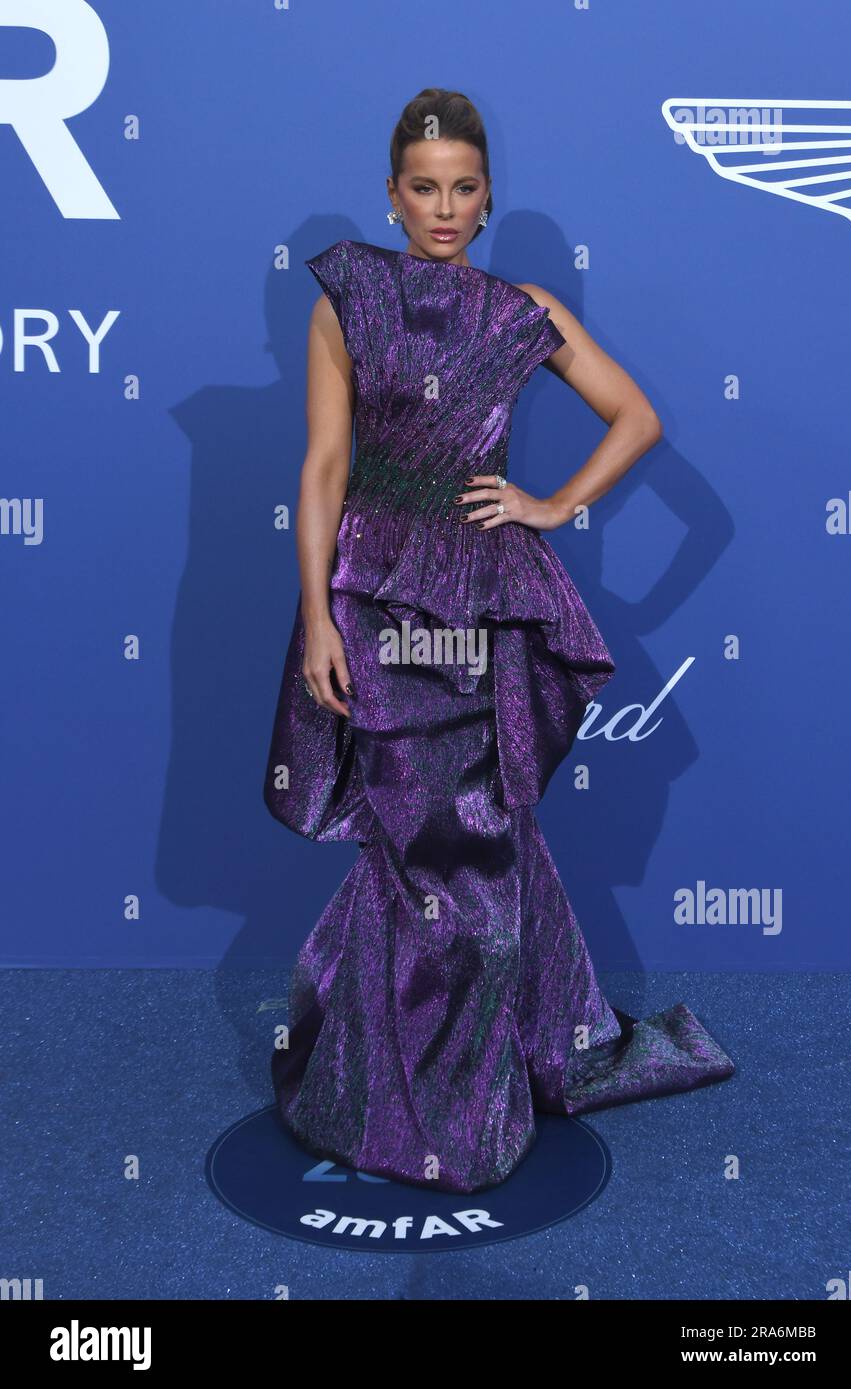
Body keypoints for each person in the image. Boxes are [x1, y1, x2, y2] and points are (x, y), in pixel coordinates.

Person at [264, 88, 734, 1194]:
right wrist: (317, 620)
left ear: (486, 197)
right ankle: (384, 1089)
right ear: (391, 195)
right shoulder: (345, 296)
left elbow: (638, 417)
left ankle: (453, 1111)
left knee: (466, 852)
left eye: (463, 187)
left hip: (474, 606)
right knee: (411, 850)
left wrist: (549, 503)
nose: (443, 206)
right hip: (371, 599)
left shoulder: (519, 309)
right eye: (422, 187)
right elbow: (323, 470)